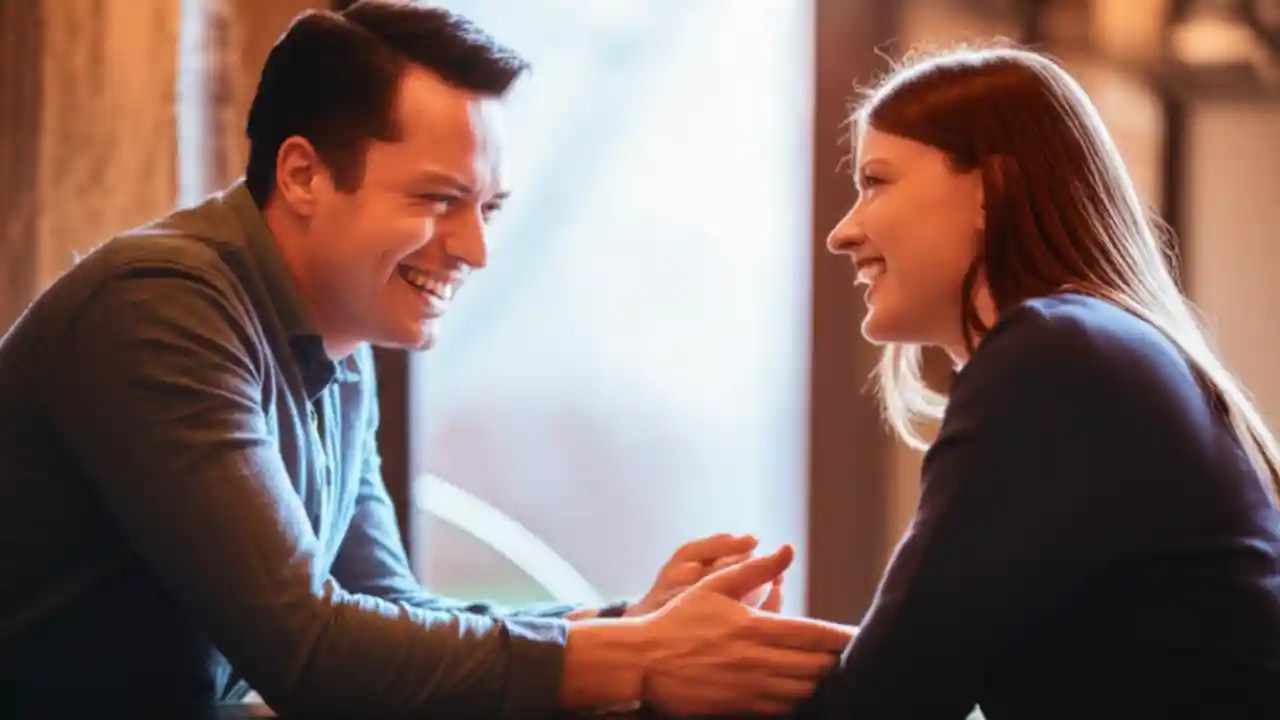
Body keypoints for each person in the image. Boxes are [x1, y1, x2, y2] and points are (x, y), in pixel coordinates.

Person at [0, 2, 853, 716]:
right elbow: (314, 653)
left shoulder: (336, 340)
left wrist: (629, 620)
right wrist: (637, 655)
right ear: (301, 175)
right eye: (439, 200)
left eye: (487, 206)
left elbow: (390, 614)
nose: (477, 249)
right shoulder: (160, 305)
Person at [802, 45, 1280, 719]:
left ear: (991, 190)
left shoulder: (1053, 360)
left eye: (875, 181)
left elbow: (883, 704)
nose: (840, 233)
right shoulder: (1097, 350)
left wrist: (654, 677)